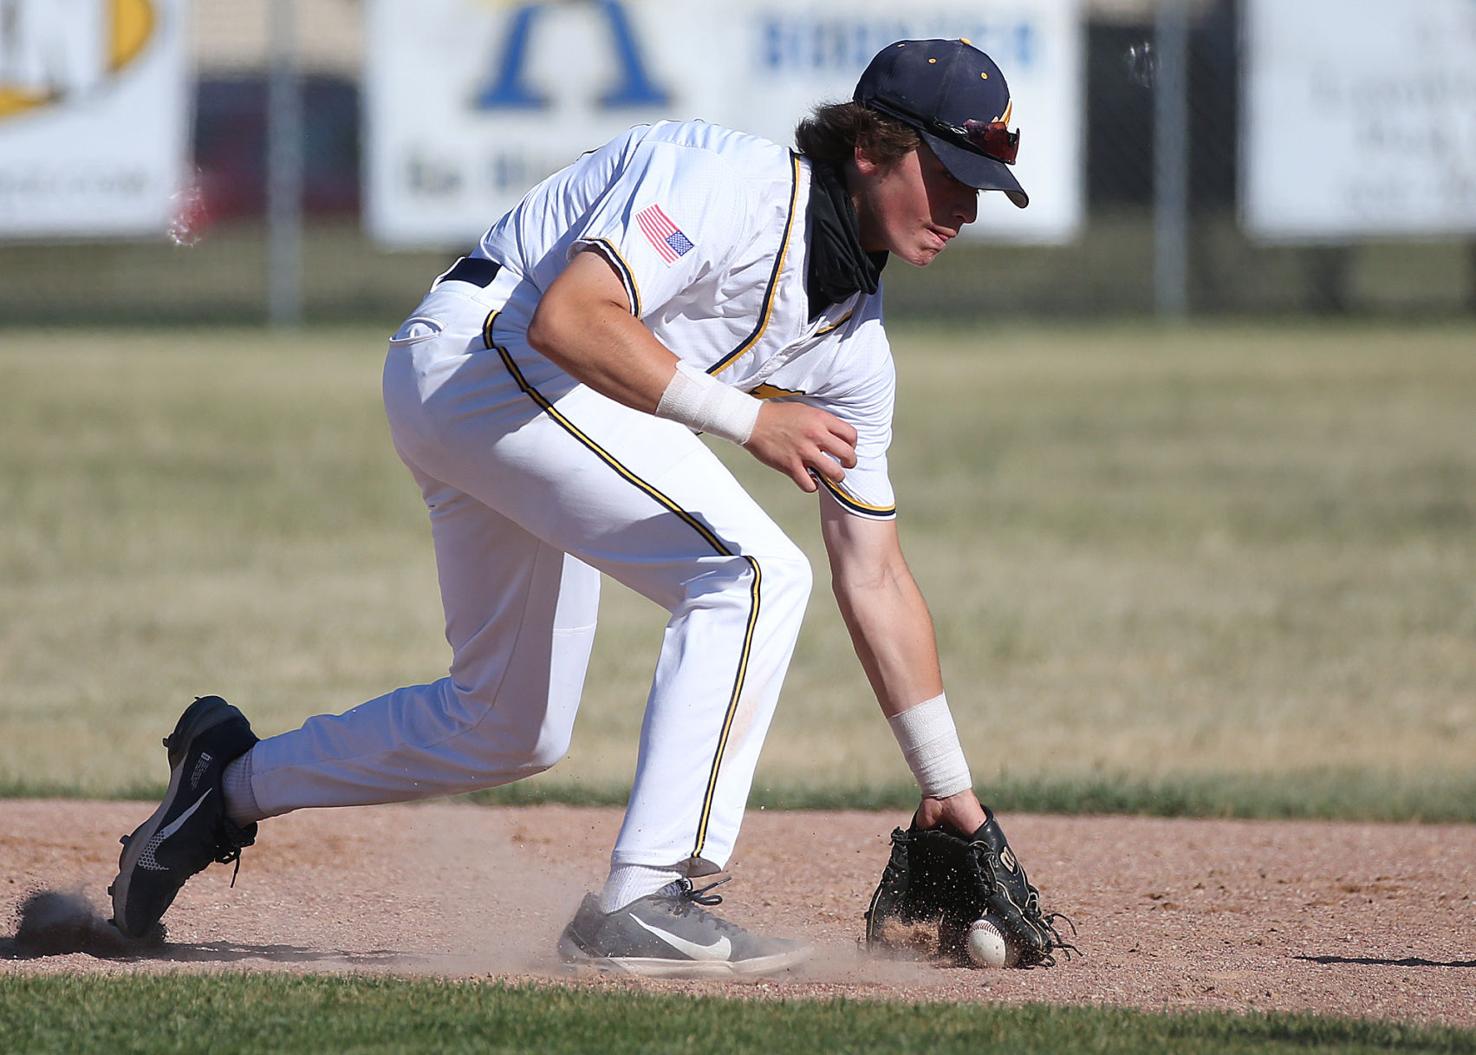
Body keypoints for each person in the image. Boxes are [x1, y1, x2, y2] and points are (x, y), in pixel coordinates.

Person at [111, 38, 1035, 977]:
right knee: (752, 571)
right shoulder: (731, 185)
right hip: (482, 354)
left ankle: (225, 785)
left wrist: (950, 790)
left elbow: (874, 572)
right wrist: (749, 423)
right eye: (950, 172)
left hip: (519, 400)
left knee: (510, 725)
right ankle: (646, 897)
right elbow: (572, 318)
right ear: (871, 148)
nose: (965, 206)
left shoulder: (853, 351)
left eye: (982, 185)